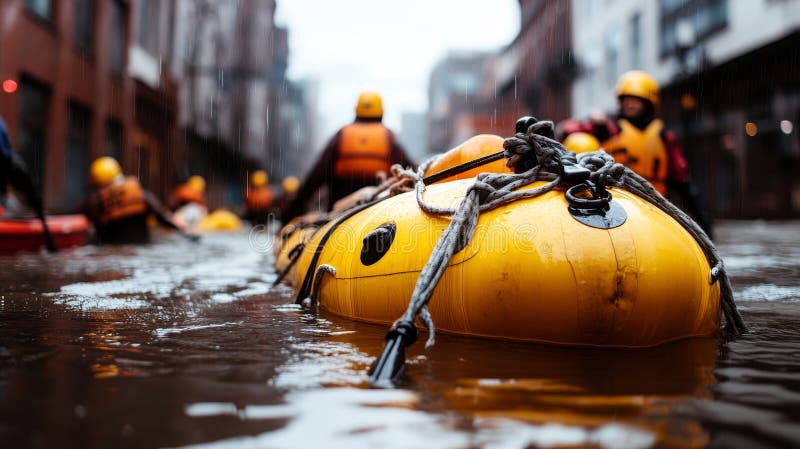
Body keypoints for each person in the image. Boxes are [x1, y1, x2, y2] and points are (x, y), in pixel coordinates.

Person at [559, 70, 711, 235]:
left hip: (655, 204)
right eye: (626, 100)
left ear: (648, 103)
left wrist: (702, 221)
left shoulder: (664, 136)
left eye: (636, 101)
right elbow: (567, 130)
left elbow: (681, 180)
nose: (630, 105)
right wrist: (593, 122)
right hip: (619, 204)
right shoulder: (609, 129)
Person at [286, 91, 414, 219]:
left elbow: (317, 175)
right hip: (376, 211)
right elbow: (410, 171)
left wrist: (296, 206)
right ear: (381, 112)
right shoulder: (388, 137)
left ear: (357, 111)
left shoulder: (342, 135)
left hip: (340, 212)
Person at [83, 156, 191, 244]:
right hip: (140, 248)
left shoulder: (93, 203)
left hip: (108, 250)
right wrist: (184, 229)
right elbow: (164, 219)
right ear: (119, 173)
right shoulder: (141, 196)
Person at [0, 116, 57, 251]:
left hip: (7, 165)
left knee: (33, 199)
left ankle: (46, 233)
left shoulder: (13, 166)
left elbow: (5, 155)